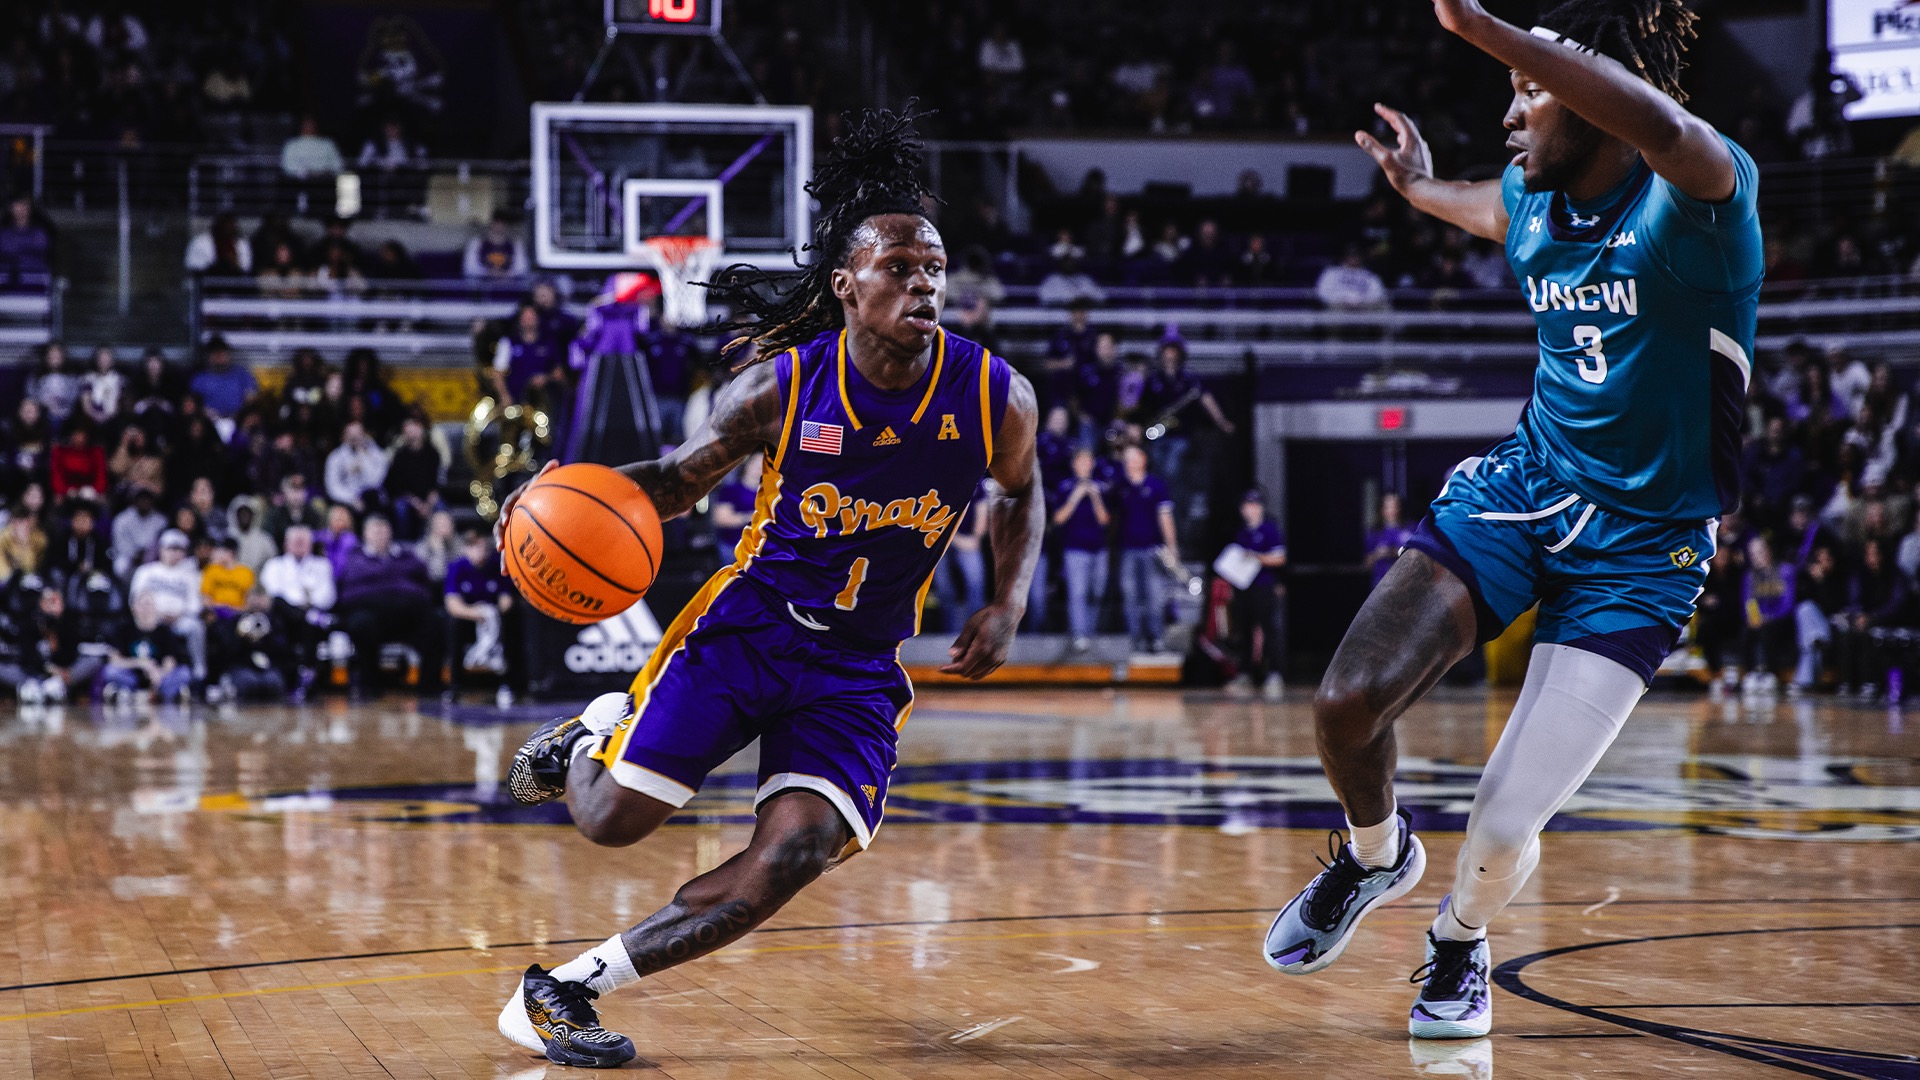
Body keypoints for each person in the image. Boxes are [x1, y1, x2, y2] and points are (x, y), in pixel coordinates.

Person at [490, 109, 1043, 1068]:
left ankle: (565, 990)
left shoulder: (996, 393)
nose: (924, 285)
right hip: (750, 627)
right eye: (900, 269)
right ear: (846, 286)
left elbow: (1023, 492)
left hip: (859, 666)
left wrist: (1008, 600)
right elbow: (672, 480)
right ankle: (589, 733)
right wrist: (553, 495)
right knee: (612, 821)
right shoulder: (780, 388)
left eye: (935, 270)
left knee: (784, 863)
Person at [1263, 0, 1763, 1041]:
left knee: (1499, 826)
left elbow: (1672, 134)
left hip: (1644, 553)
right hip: (1525, 491)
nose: (1511, 113)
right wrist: (1411, 186)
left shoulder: (1702, 209)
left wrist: (1489, 29)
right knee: (1345, 705)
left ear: (1601, 105)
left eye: (1531, 94)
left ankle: (1458, 939)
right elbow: (1480, 205)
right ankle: (1373, 856)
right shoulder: (1534, 206)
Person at [335, 513, 444, 699]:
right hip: (370, 611)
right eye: (374, 530)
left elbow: (423, 577)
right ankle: (370, 685)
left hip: (408, 613)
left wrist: (386, 577)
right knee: (360, 624)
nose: (379, 534)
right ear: (365, 534)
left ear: (391, 532)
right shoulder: (355, 558)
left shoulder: (406, 555)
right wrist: (392, 579)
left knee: (436, 622)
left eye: (383, 529)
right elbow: (350, 590)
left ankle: (429, 686)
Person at [1112, 445, 1178, 653]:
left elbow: (1165, 517)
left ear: (1143, 459)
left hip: (1153, 549)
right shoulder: (1120, 486)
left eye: (1133, 458)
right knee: (1130, 595)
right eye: (1126, 459)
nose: (1129, 463)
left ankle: (1156, 638)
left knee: (1155, 596)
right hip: (1127, 549)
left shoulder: (1156, 485)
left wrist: (1172, 546)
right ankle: (1135, 638)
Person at [1223, 489, 1287, 701]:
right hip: (1243, 588)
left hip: (1264, 587)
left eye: (1255, 505)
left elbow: (1280, 558)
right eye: (1247, 506)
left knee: (1270, 631)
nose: (1250, 510)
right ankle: (1245, 673)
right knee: (1244, 632)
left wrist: (1256, 557)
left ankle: (1275, 673)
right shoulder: (1241, 533)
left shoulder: (1269, 530)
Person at [258, 523, 334, 701]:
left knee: (311, 625)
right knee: (279, 605)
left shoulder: (322, 565)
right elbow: (274, 592)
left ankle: (306, 679)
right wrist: (302, 605)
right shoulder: (274, 565)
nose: (299, 545)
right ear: (286, 544)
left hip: (313, 620)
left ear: (310, 544)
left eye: (303, 542)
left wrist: (307, 603)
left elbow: (328, 595)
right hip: (284, 619)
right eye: (295, 541)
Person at [444, 528, 518, 705]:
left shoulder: (496, 565)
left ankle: (508, 684)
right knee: (454, 625)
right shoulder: (457, 567)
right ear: (466, 549)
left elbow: (506, 599)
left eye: (481, 547)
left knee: (512, 622)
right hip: (470, 618)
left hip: (494, 619)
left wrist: (493, 614)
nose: (478, 551)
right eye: (473, 547)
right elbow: (452, 604)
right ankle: (455, 686)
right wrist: (477, 614)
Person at [128, 528, 207, 685]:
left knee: (196, 627)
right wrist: (154, 613)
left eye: (179, 550)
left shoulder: (191, 575)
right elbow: (134, 599)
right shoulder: (147, 571)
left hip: (179, 620)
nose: (175, 553)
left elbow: (195, 605)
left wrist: (178, 614)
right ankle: (141, 673)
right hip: (150, 618)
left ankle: (199, 671)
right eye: (171, 548)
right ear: (161, 549)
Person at [1053, 447, 1111, 650]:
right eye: (1081, 462)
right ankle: (1079, 635)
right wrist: (1076, 497)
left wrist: (1095, 497)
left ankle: (1089, 632)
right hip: (1074, 549)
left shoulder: (1102, 488)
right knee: (1077, 593)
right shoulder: (1065, 487)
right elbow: (1058, 519)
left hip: (1099, 549)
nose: (1085, 466)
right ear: (1074, 465)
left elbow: (1105, 520)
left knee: (1096, 592)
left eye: (1088, 462)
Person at [102, 592, 193, 706]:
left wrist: (159, 674)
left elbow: (169, 661)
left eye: (149, 605)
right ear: (134, 608)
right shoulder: (123, 629)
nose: (146, 609)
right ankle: (140, 694)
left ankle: (149, 695)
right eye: (143, 605)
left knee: (184, 673)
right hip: (132, 676)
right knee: (110, 671)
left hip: (157, 678)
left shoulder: (164, 631)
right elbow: (114, 660)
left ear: (155, 608)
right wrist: (141, 664)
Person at [324, 421, 389, 513]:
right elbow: (332, 487)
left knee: (374, 497)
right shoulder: (335, 457)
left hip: (371, 498)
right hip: (347, 500)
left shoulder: (376, 453)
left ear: (364, 434)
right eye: (351, 435)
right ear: (344, 436)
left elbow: (375, 481)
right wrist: (352, 499)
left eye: (358, 434)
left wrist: (363, 456)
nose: (355, 438)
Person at [190, 335, 258, 420]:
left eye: (222, 352)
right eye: (215, 353)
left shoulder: (242, 374)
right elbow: (192, 404)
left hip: (239, 421)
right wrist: (206, 413)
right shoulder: (199, 379)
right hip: (209, 423)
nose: (219, 357)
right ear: (208, 356)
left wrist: (240, 415)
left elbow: (251, 398)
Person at [1363, 492, 1414, 586]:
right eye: (1388, 507)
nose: (1392, 510)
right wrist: (1378, 554)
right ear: (1382, 509)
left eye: (1395, 506)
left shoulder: (1409, 529)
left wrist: (1393, 552)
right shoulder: (1374, 532)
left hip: (1404, 583)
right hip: (1380, 584)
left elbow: (1415, 556)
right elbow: (1367, 564)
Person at [464, 210, 528, 279]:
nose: (499, 227)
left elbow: (522, 269)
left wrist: (506, 274)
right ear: (491, 224)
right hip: (483, 285)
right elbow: (469, 268)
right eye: (496, 223)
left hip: (509, 285)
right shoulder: (477, 243)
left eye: (503, 223)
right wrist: (488, 273)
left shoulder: (516, 244)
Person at [280, 115, 345, 179]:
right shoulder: (291, 145)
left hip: (325, 183)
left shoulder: (328, 144)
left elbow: (338, 165)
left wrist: (322, 173)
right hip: (298, 183)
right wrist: (306, 172)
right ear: (301, 126)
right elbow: (287, 166)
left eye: (311, 125)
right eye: (307, 125)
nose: (309, 127)